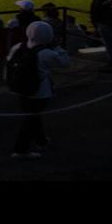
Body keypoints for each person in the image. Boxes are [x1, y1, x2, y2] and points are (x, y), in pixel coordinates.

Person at [7, 20, 72, 160]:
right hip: (40, 92)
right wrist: (58, 47)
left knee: (32, 116)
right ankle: (21, 150)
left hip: (19, 88)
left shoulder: (18, 47)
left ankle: (41, 141)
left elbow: (9, 63)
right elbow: (66, 63)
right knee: (30, 120)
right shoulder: (46, 53)